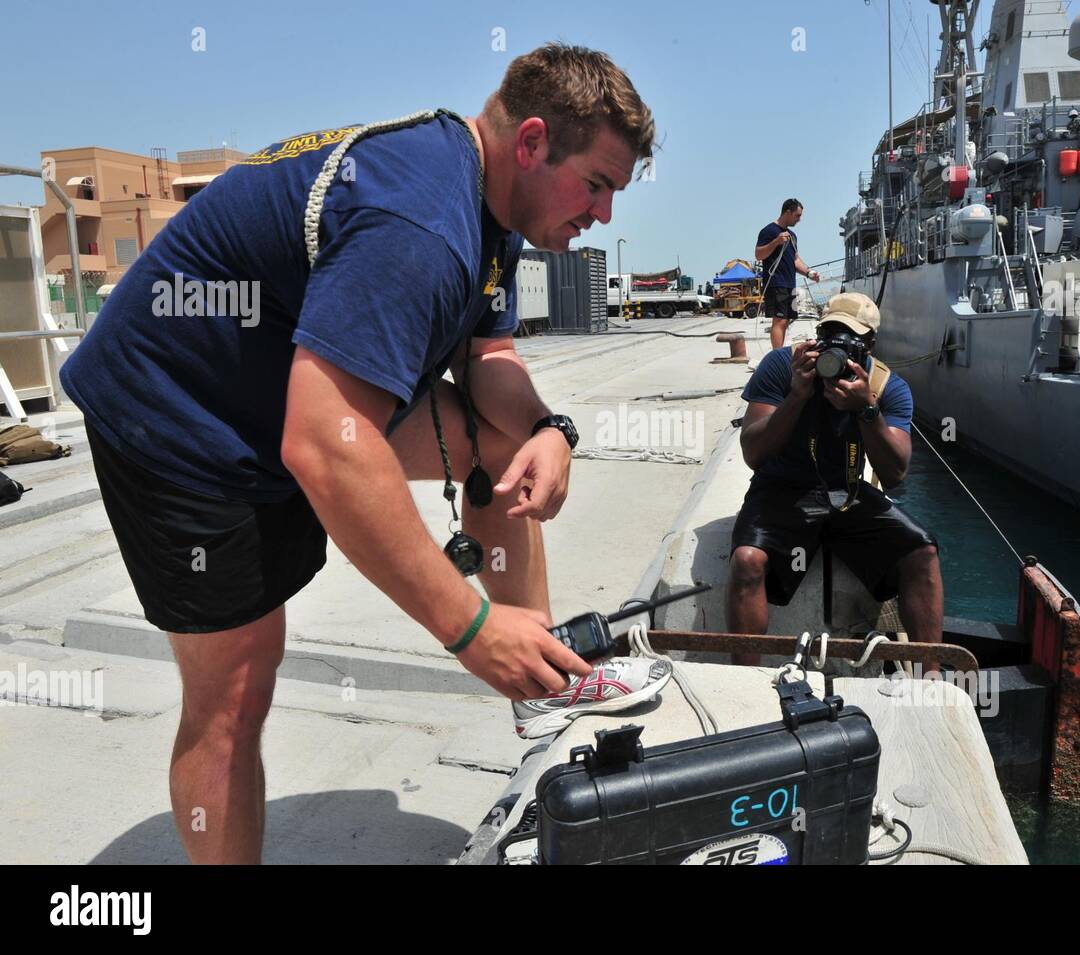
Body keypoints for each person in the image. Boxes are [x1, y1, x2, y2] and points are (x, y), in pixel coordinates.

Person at [58, 43, 660, 863]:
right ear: (530, 143)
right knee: (236, 683)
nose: (605, 215)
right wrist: (472, 628)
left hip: (285, 381)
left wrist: (552, 430)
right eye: (597, 184)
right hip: (176, 410)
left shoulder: (498, 208)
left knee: (503, 442)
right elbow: (326, 446)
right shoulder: (420, 225)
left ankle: (542, 687)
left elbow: (487, 358)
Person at [725, 292, 944, 667]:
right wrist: (796, 396)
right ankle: (748, 682)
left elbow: (893, 475)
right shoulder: (782, 366)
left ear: (869, 344)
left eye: (849, 338)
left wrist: (867, 412)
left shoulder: (886, 387)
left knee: (922, 551)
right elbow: (753, 454)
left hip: (846, 493)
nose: (836, 348)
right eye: (829, 335)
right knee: (746, 561)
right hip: (781, 488)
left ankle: (931, 676)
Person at [754, 199, 821, 350]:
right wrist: (776, 242)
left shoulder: (793, 236)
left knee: (786, 321)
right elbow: (758, 255)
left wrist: (809, 273)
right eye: (797, 216)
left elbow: (795, 260)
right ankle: (778, 357)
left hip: (790, 283)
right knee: (780, 321)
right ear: (788, 212)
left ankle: (781, 353)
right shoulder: (769, 231)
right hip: (776, 282)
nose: (799, 219)